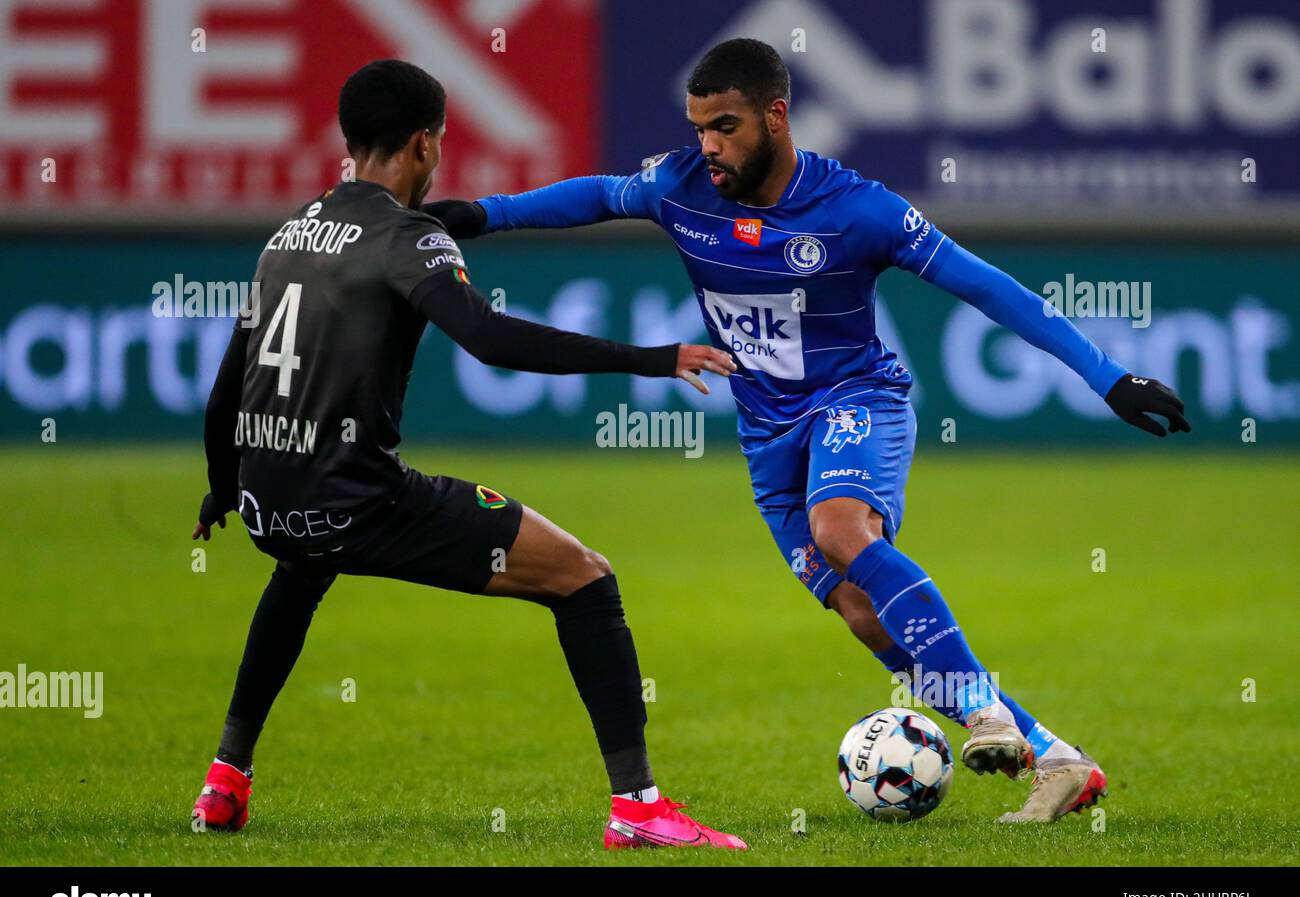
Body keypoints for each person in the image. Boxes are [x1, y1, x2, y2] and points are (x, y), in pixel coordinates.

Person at [426, 38, 1191, 823]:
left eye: (725, 127)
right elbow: (596, 194)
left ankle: (983, 711)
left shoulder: (858, 208)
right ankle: (1058, 760)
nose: (709, 147)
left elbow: (990, 289)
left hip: (857, 399)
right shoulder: (680, 185)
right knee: (860, 611)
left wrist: (1108, 376)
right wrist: (485, 215)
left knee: (839, 528)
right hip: (766, 436)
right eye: (698, 129)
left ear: (777, 115)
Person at [190, 59, 745, 850]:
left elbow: (226, 386)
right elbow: (486, 337)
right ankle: (639, 807)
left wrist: (222, 488)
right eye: (439, 143)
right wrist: (651, 359)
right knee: (584, 576)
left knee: (301, 566)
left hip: (269, 504)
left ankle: (225, 779)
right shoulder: (405, 239)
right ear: (424, 143)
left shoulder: (291, 234)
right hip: (360, 504)